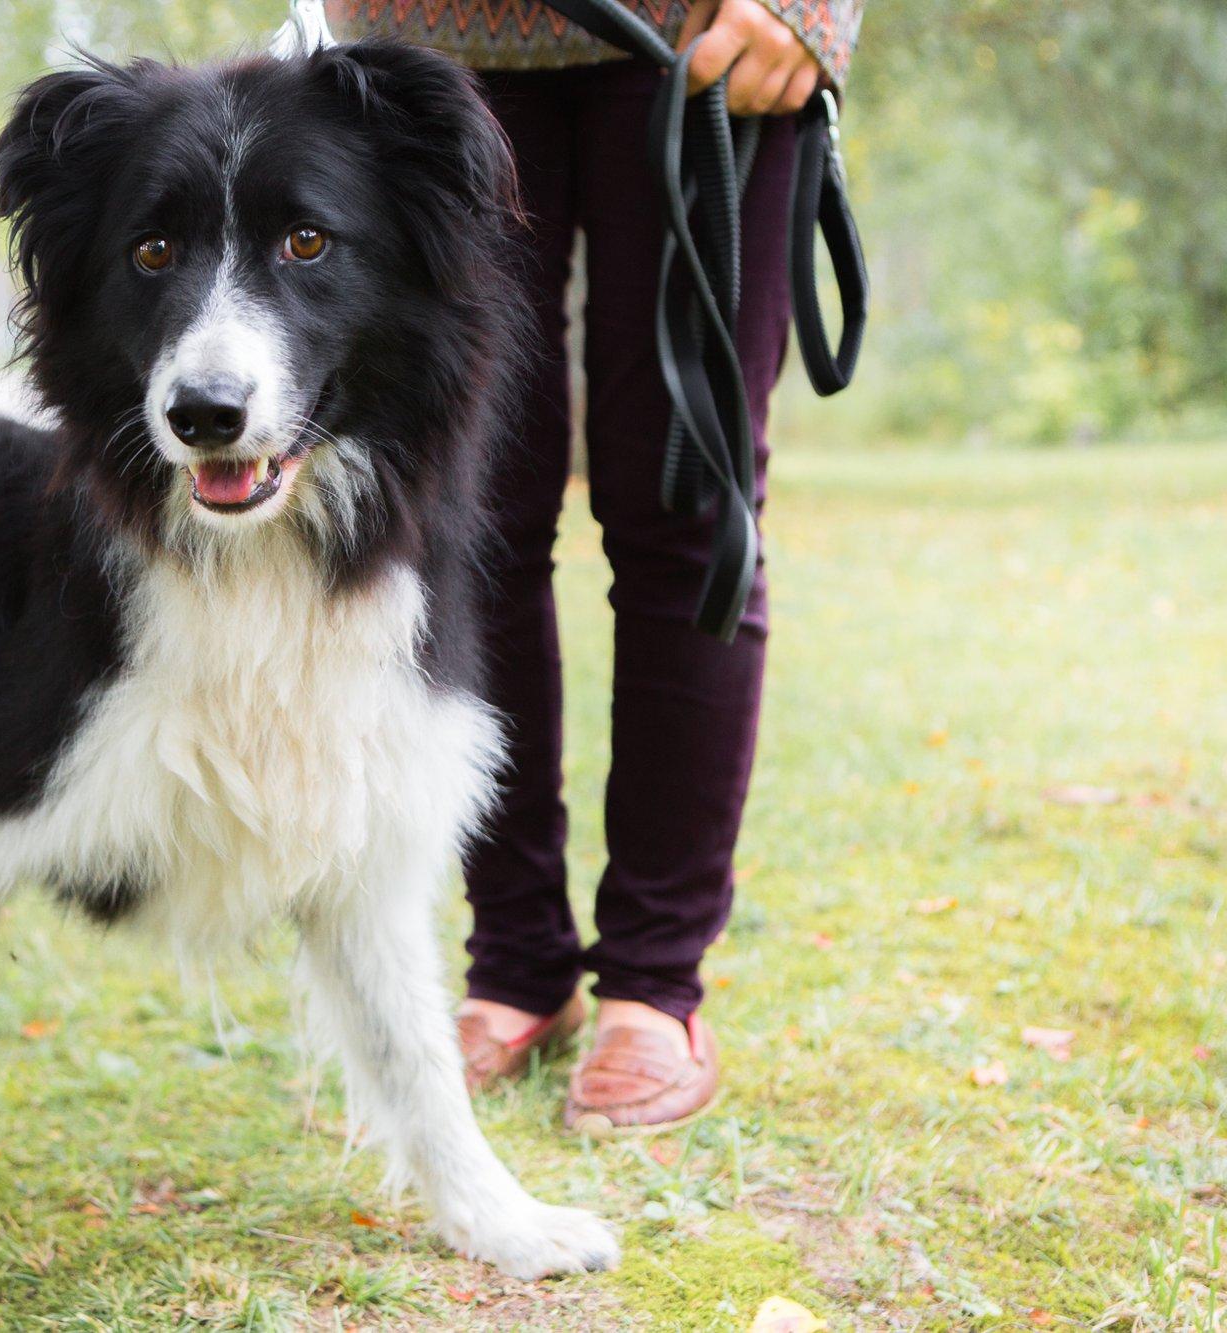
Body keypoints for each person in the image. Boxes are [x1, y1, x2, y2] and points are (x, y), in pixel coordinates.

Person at [325, 0, 864, 1132]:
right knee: (462, 526)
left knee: (686, 503)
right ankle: (516, 962)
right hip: (433, 49)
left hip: (707, 34)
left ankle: (653, 988)